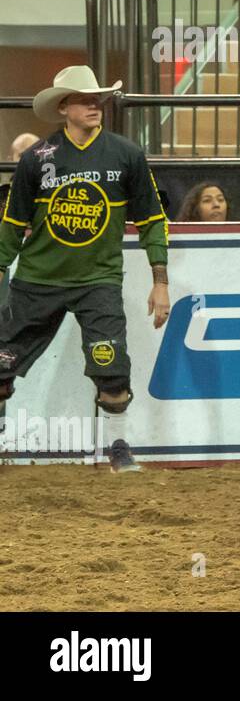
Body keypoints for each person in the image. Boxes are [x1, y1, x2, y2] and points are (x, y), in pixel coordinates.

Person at [0, 65, 170, 473]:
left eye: (98, 99)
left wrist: (160, 281)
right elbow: (12, 223)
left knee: (112, 370)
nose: (95, 105)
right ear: (64, 107)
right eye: (85, 99)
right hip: (37, 279)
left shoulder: (125, 154)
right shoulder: (37, 159)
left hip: (99, 280)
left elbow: (151, 217)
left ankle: (118, 446)